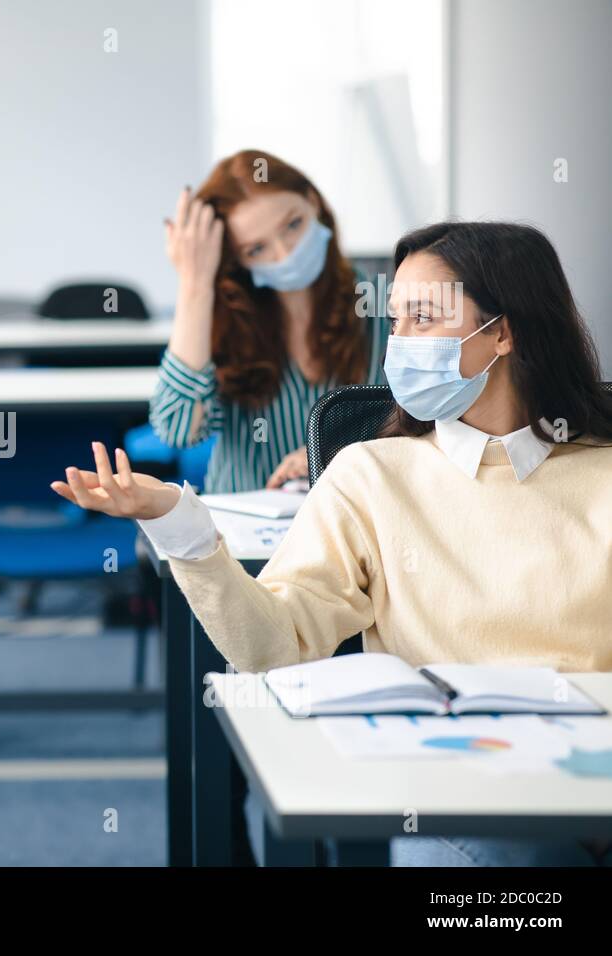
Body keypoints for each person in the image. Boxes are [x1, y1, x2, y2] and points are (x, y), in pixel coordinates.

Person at [55, 221, 612, 866]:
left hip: (592, 772)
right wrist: (182, 525)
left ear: (503, 333)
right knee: (521, 867)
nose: (399, 344)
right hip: (453, 791)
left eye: (423, 318)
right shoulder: (373, 474)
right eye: (396, 322)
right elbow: (276, 646)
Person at [152, 149, 389, 492]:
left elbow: (424, 423)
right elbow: (178, 428)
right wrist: (195, 284)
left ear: (314, 203)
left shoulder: (383, 303)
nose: (284, 253)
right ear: (235, 259)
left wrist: (331, 453)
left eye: (293, 225)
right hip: (245, 529)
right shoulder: (222, 320)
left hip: (355, 523)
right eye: (256, 249)